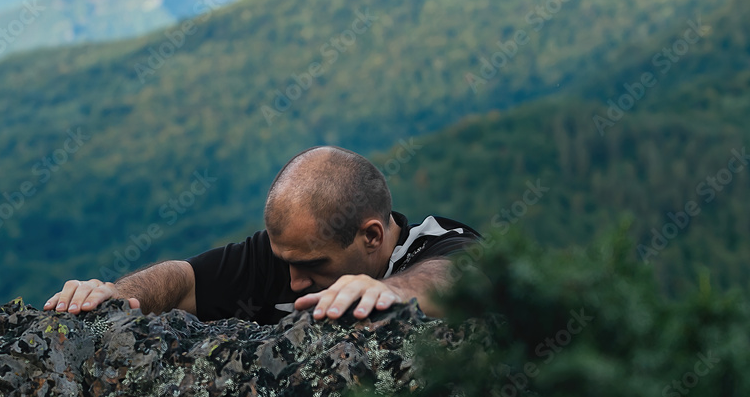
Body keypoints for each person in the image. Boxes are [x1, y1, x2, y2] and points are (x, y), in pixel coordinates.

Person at [43, 146, 481, 323]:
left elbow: (455, 276)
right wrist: (116, 294)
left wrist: (390, 291)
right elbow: (184, 279)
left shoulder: (438, 240)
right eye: (286, 261)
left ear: (371, 236)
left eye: (313, 265)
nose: (294, 280)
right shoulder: (287, 253)